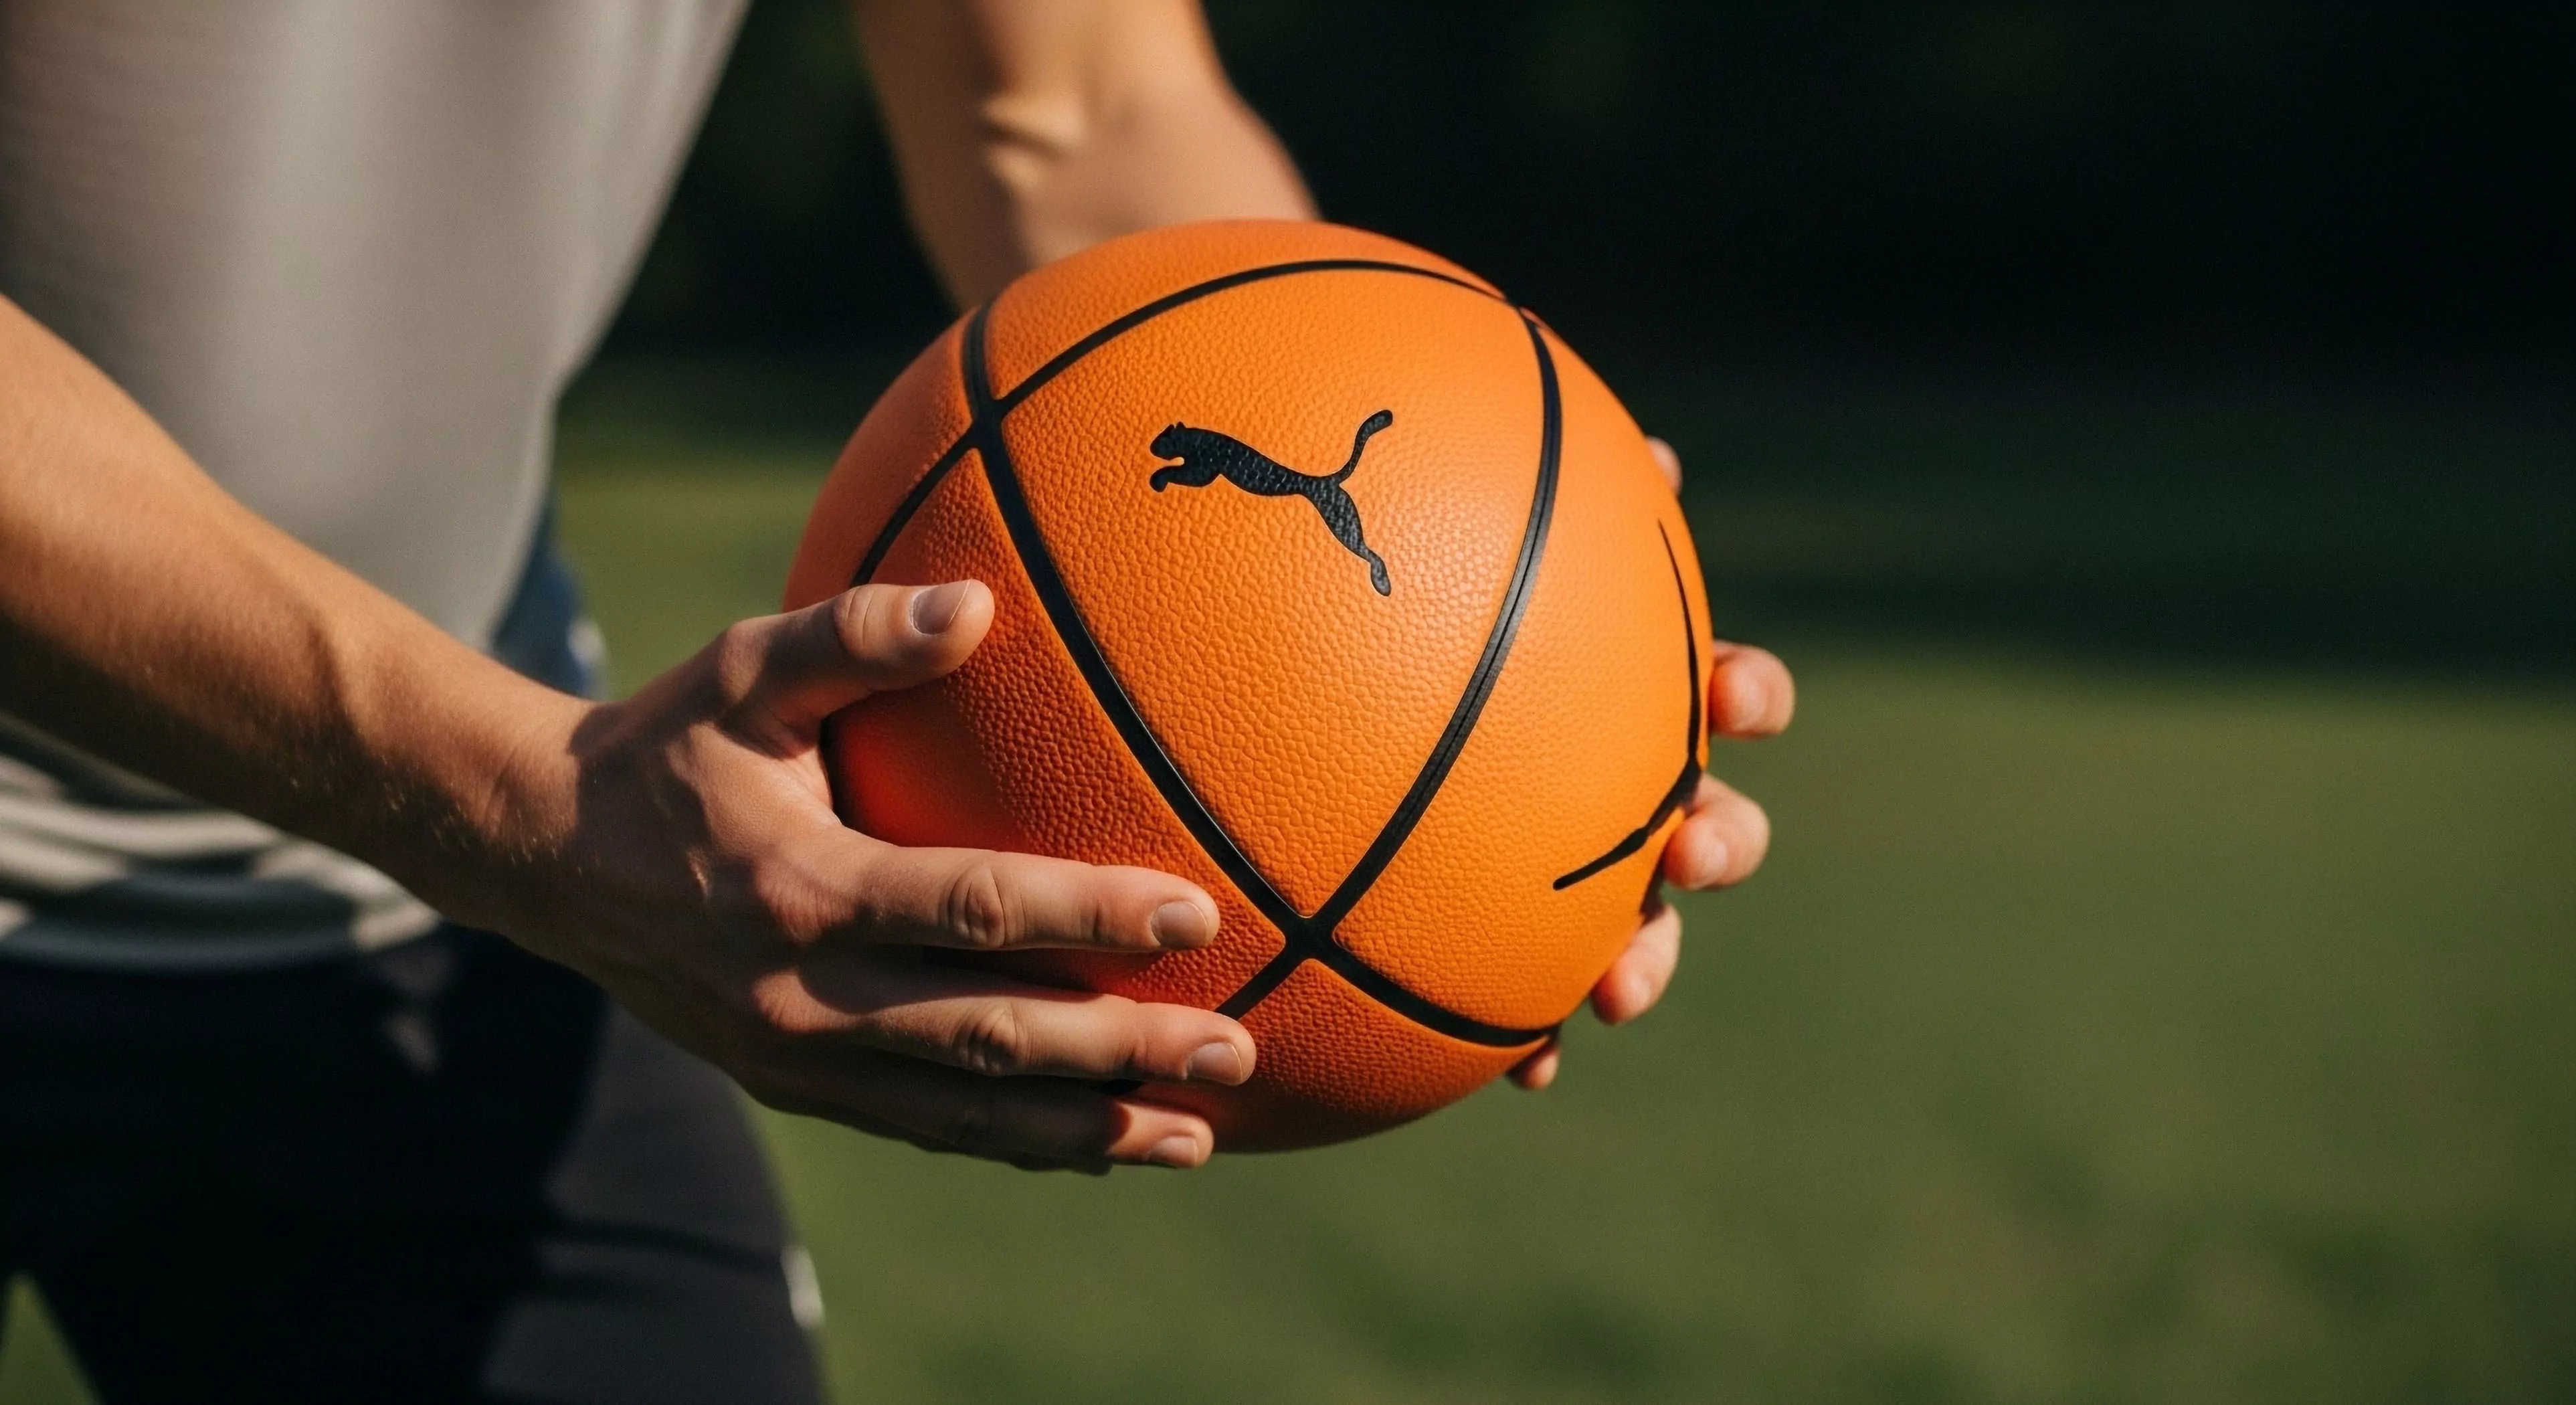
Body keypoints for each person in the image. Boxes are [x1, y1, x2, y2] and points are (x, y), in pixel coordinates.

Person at [0, 0, 1794, 1399]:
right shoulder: (499, 801)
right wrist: (503, 800)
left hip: (412, 876)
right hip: (461, 791)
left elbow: (1075, 108)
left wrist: (1485, 619)